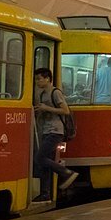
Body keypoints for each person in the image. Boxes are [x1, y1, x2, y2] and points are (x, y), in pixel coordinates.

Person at [32, 68, 79, 201]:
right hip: (46, 130)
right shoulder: (41, 95)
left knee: (39, 158)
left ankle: (66, 173)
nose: (37, 82)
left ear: (47, 79)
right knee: (45, 162)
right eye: (36, 79)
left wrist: (46, 108)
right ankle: (45, 193)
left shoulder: (55, 93)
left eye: (39, 79)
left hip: (56, 131)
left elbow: (65, 111)